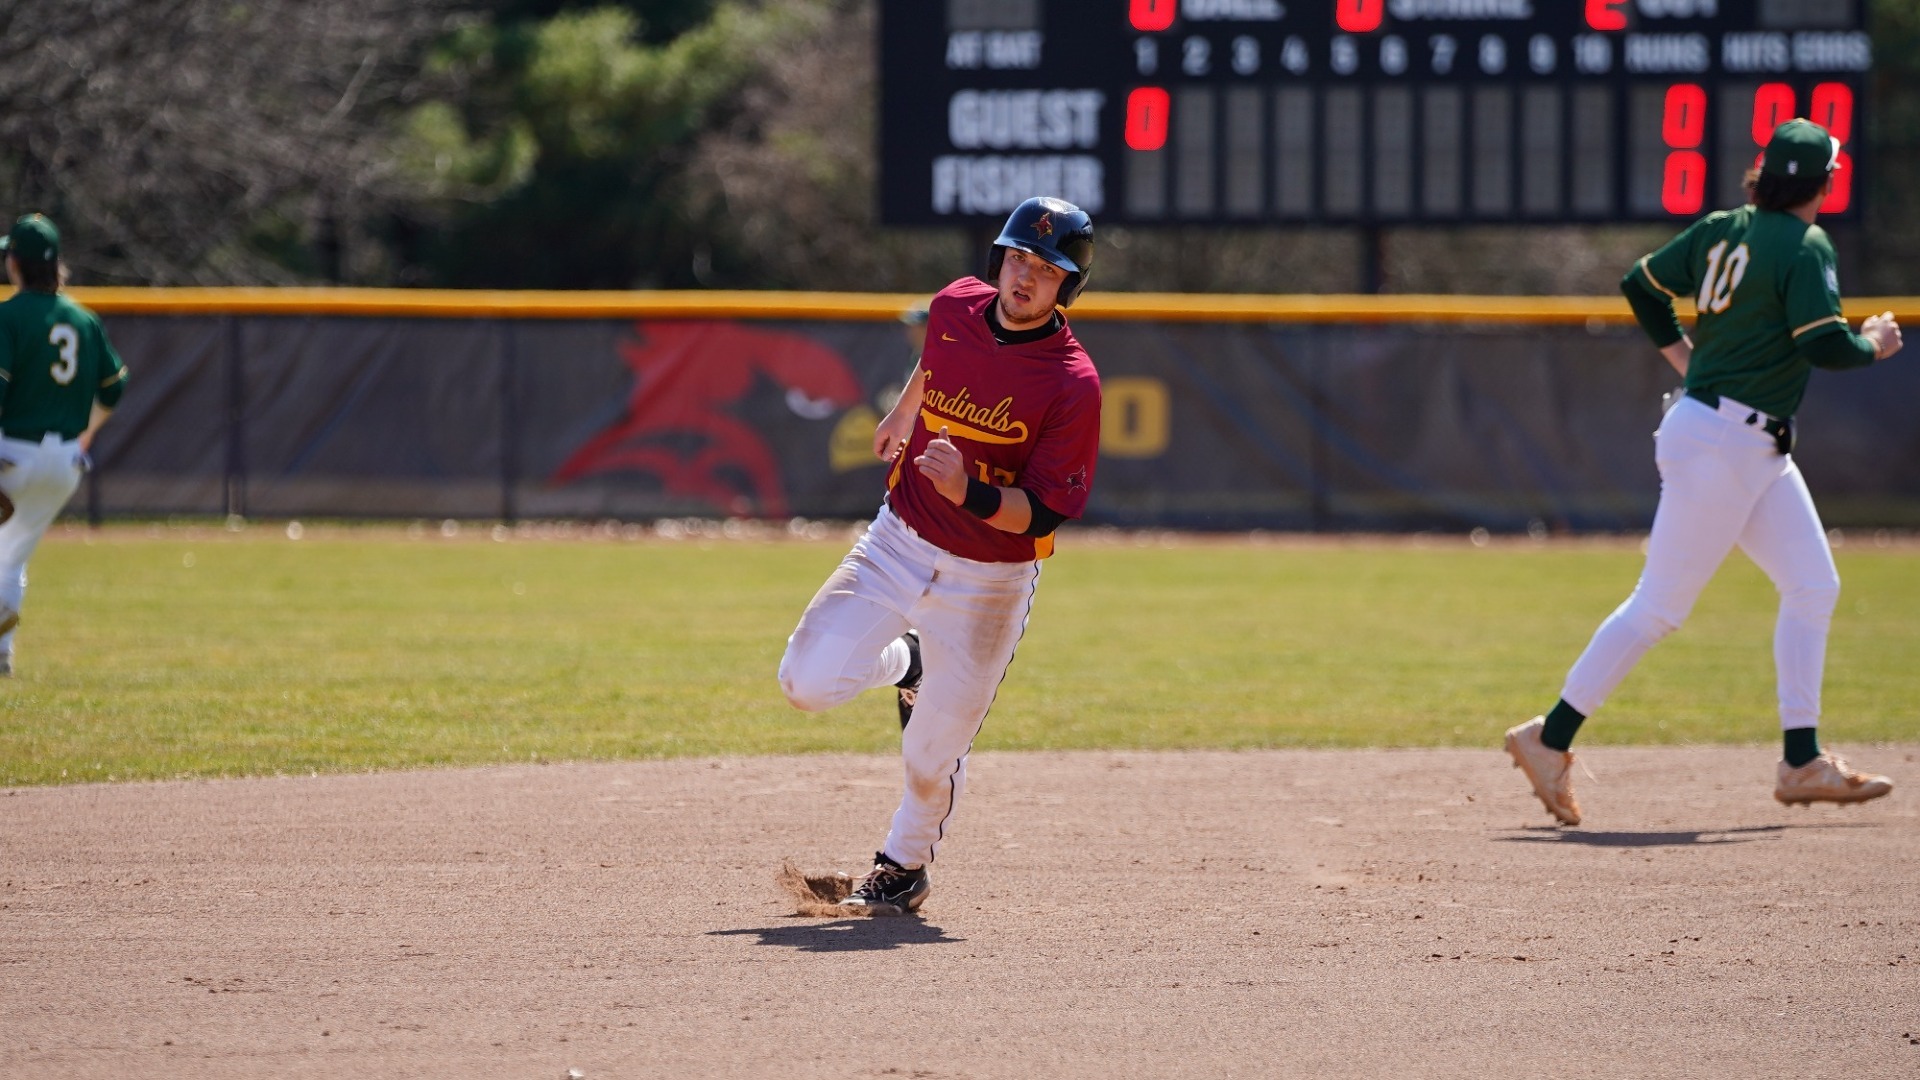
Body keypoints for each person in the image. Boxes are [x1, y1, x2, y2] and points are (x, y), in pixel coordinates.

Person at [1505, 119, 1902, 825]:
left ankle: (1801, 760)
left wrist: (1687, 360)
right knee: (1659, 606)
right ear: (1826, 182)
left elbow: (1641, 283)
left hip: (1741, 441)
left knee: (1813, 584)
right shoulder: (1805, 244)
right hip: (1726, 444)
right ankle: (1548, 738)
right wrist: (1873, 343)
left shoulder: (1725, 227)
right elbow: (1827, 347)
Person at [778, 196, 1102, 913]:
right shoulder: (956, 304)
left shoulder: (1072, 383)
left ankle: (901, 867)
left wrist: (969, 492)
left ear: (1065, 287)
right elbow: (938, 359)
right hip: (900, 535)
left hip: (990, 578)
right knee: (804, 682)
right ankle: (907, 663)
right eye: (1018, 257)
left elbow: (1044, 512)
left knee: (930, 757)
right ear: (998, 260)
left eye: (1046, 269)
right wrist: (903, 410)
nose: (1025, 276)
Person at [0, 213, 128, 676]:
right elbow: (114, 387)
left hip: (11, 453)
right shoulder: (83, 319)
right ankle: (2, 656)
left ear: (14, 263)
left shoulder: (7, 316)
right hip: (64, 463)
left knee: (6, 559)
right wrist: (87, 432)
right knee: (11, 556)